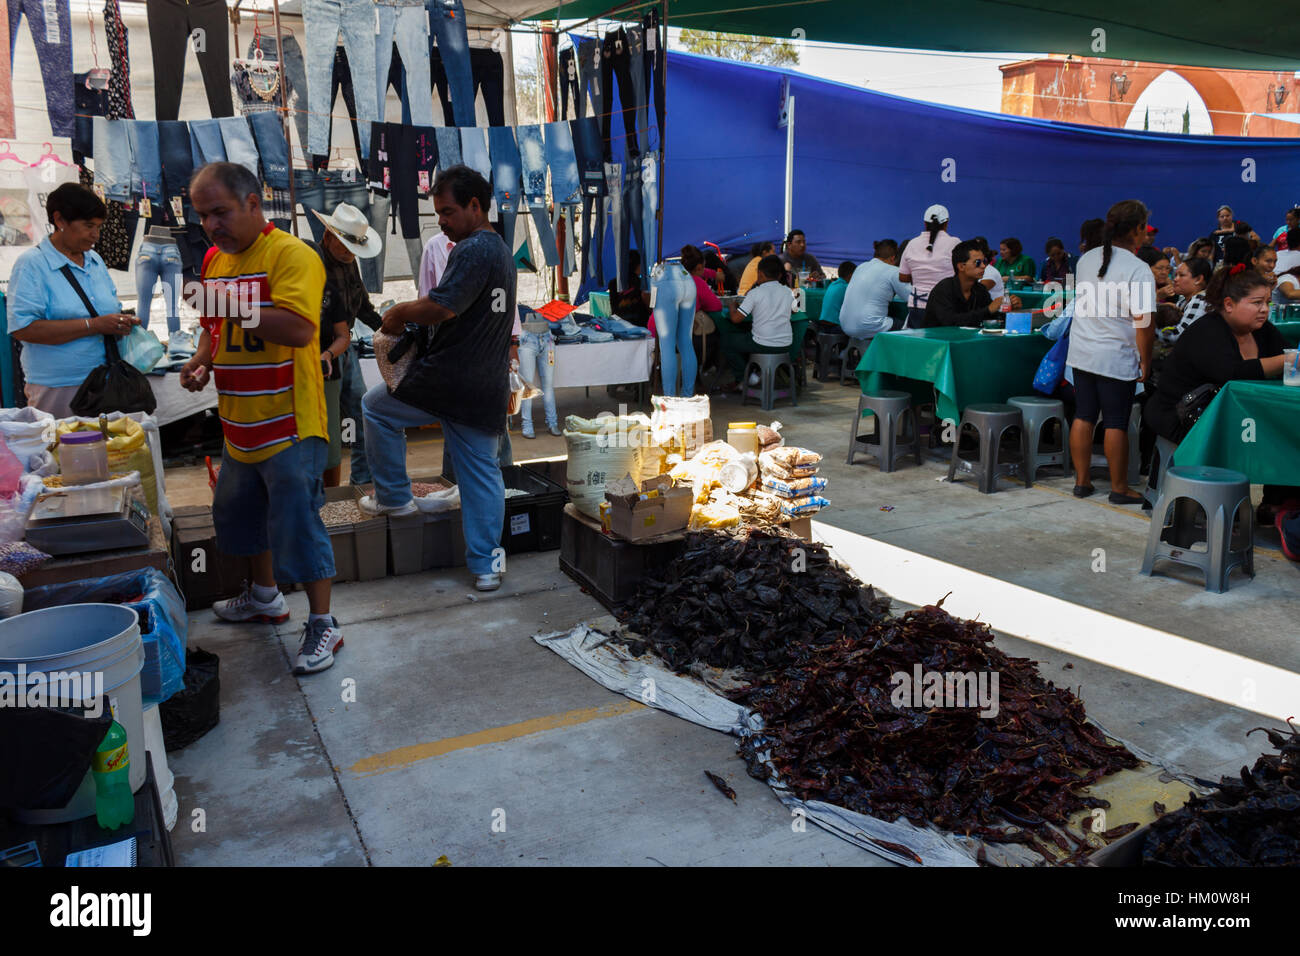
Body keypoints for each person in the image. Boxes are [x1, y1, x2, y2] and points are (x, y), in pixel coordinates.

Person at [178, 162, 340, 675]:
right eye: (203, 216)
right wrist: (202, 360)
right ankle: (266, 597)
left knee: (297, 523)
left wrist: (223, 300)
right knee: (238, 517)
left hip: (290, 422)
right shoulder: (214, 261)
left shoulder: (293, 255)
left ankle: (324, 623)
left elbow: (297, 330)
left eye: (220, 212)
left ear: (254, 203)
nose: (211, 225)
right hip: (238, 425)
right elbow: (214, 326)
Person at [360, 165, 514, 592]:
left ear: (475, 206)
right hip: (484, 384)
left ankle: (393, 499)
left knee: (375, 408)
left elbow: (443, 307)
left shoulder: (473, 250)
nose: (442, 222)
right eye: (438, 213)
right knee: (483, 473)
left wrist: (399, 312)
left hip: (448, 380)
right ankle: (486, 566)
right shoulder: (499, 249)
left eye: (447, 212)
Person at [1142, 267, 1296, 522]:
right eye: (1256, 303)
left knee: (1284, 429)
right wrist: (1286, 360)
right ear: (1229, 304)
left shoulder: (1264, 331)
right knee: (1255, 435)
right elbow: (1232, 373)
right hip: (1185, 416)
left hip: (1234, 415)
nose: (1265, 309)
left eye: (1267, 302)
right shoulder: (1208, 331)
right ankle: (1219, 508)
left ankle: (1279, 503)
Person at [6, 183, 140, 417]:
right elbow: (23, 328)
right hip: (58, 387)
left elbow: (108, 308)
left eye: (98, 227)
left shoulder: (95, 260)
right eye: (88, 226)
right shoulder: (32, 265)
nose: (95, 236)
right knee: (65, 449)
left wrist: (120, 323)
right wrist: (94, 325)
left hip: (105, 381)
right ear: (60, 220)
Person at [1066, 199, 1155, 505]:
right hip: (1114, 355)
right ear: (1138, 230)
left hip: (1081, 351)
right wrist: (1146, 360)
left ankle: (1082, 482)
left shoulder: (1086, 259)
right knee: (1116, 421)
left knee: (1084, 415)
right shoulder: (1139, 269)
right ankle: (1119, 488)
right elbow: (1144, 323)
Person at [309, 203, 384, 488]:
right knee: (326, 428)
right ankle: (323, 492)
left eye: (353, 248)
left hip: (344, 350)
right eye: (344, 246)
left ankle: (361, 483)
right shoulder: (312, 261)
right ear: (329, 235)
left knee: (362, 415)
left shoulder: (350, 264)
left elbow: (362, 306)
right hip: (318, 353)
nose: (349, 253)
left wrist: (386, 326)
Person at [723, 255, 793, 387]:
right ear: (779, 275)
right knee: (748, 337)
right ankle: (756, 372)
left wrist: (732, 306)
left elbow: (736, 319)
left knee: (726, 341)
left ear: (759, 274)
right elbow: (795, 310)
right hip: (786, 344)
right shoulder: (788, 291)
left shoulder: (755, 293)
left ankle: (743, 378)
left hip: (762, 344)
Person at [917, 240, 1018, 328]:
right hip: (938, 345)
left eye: (985, 262)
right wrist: (988, 310)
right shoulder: (943, 289)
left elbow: (992, 317)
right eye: (978, 262)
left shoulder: (980, 290)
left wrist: (1010, 310)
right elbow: (950, 321)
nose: (983, 266)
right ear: (961, 267)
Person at [898, 204, 961, 328]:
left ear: (925, 223)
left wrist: (919, 276)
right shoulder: (954, 243)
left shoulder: (912, 243)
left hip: (917, 305)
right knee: (940, 343)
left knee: (919, 344)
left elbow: (903, 277)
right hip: (945, 304)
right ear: (946, 223)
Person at [839, 239, 912, 338]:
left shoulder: (861, 267)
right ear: (893, 258)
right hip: (868, 326)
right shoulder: (893, 271)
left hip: (845, 324)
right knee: (908, 327)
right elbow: (912, 297)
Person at [1161, 257, 1213, 344]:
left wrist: (1151, 330)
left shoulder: (1200, 300)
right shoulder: (1183, 301)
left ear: (1198, 279)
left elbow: (1179, 336)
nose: (1175, 279)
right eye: (1176, 275)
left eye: (1181, 275)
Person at [609, 249, 651, 326]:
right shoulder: (642, 283)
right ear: (639, 265)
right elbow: (647, 301)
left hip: (618, 325)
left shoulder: (613, 283)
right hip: (639, 326)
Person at [816, 261, 855, 330]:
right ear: (851, 275)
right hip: (834, 325)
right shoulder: (846, 287)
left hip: (822, 323)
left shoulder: (832, 284)